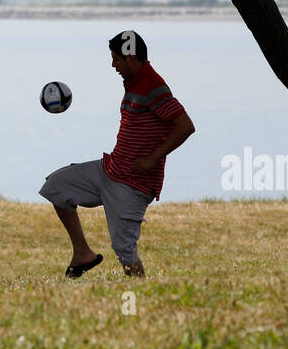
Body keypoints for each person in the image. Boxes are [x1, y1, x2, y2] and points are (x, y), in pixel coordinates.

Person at [38, 30, 195, 278]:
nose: (113, 65)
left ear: (131, 58)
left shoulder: (153, 86)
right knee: (56, 187)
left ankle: (139, 299)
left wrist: (153, 158)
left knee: (124, 250)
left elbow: (185, 126)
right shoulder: (134, 83)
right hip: (109, 170)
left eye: (116, 59)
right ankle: (82, 253)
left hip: (133, 184)